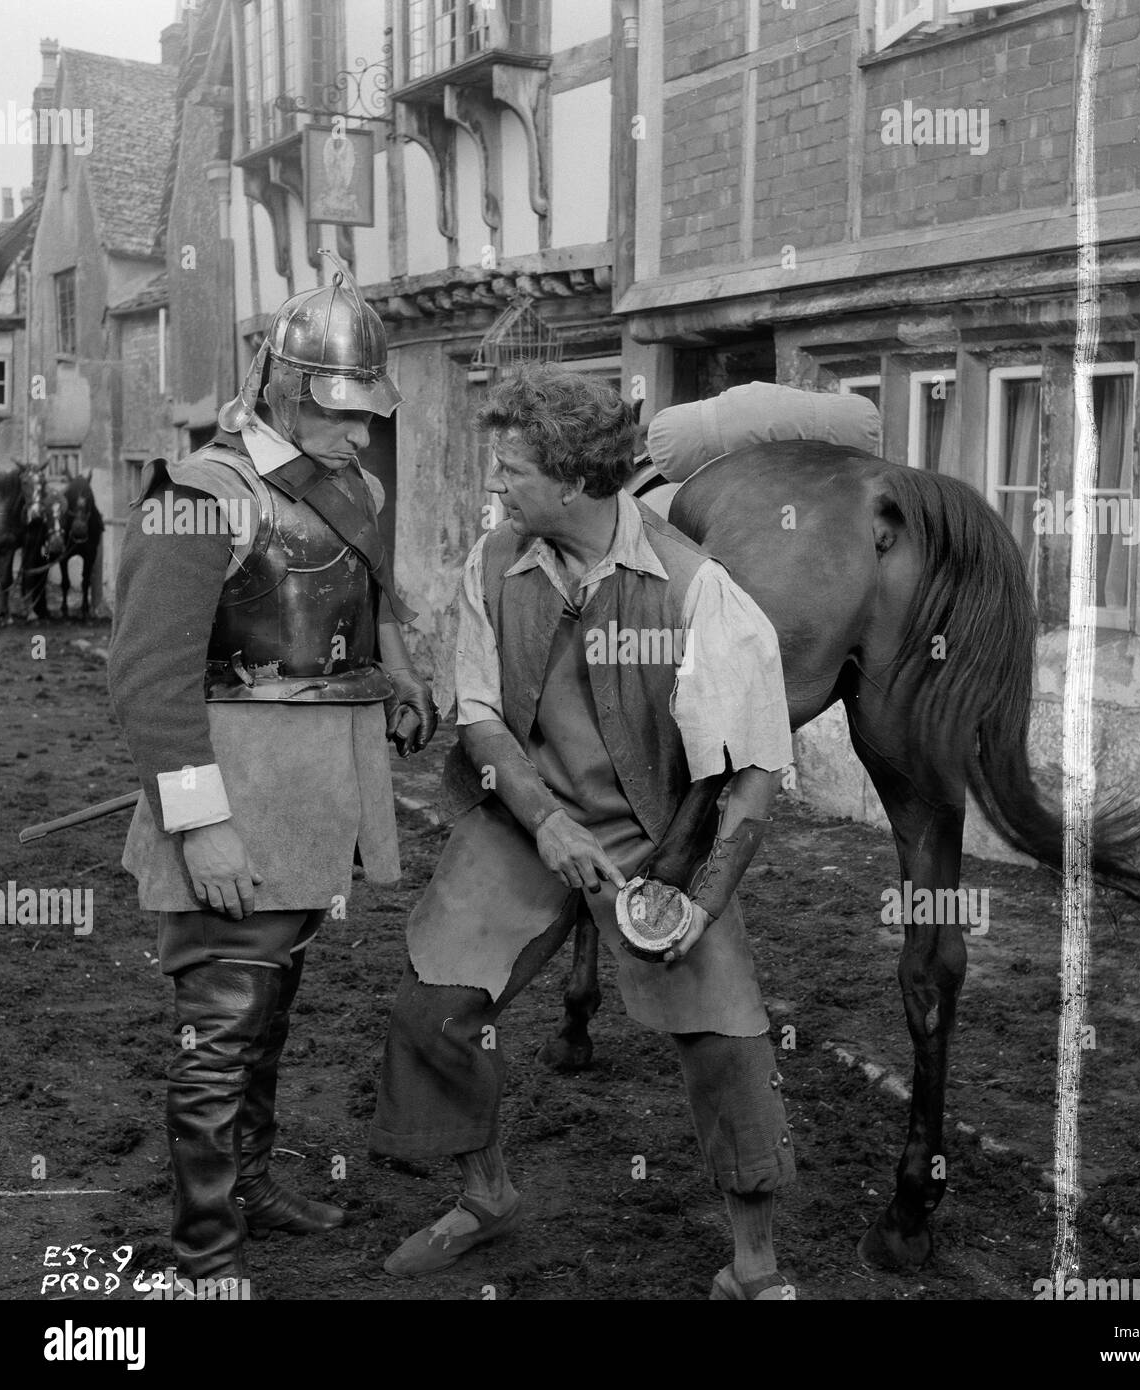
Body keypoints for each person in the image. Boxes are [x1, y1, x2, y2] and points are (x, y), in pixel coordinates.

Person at [370, 365, 796, 1300]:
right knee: (436, 1006)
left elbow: (756, 775)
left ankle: (753, 1267)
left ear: (573, 485)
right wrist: (547, 821)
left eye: (511, 469)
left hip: (657, 840)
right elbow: (479, 716)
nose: (495, 483)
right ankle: (486, 1197)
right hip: (525, 819)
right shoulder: (492, 563)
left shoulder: (698, 594)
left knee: (728, 1039)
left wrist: (700, 901)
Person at [109, 255, 436, 1297]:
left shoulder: (354, 487)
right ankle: (206, 1251)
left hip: (313, 797)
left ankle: (248, 1183)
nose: (359, 429)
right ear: (287, 389)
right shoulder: (198, 494)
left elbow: (357, 610)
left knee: (270, 1005)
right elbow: (147, 681)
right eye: (340, 410)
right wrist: (199, 823)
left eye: (367, 410)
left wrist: (401, 675)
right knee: (217, 1031)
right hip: (232, 799)